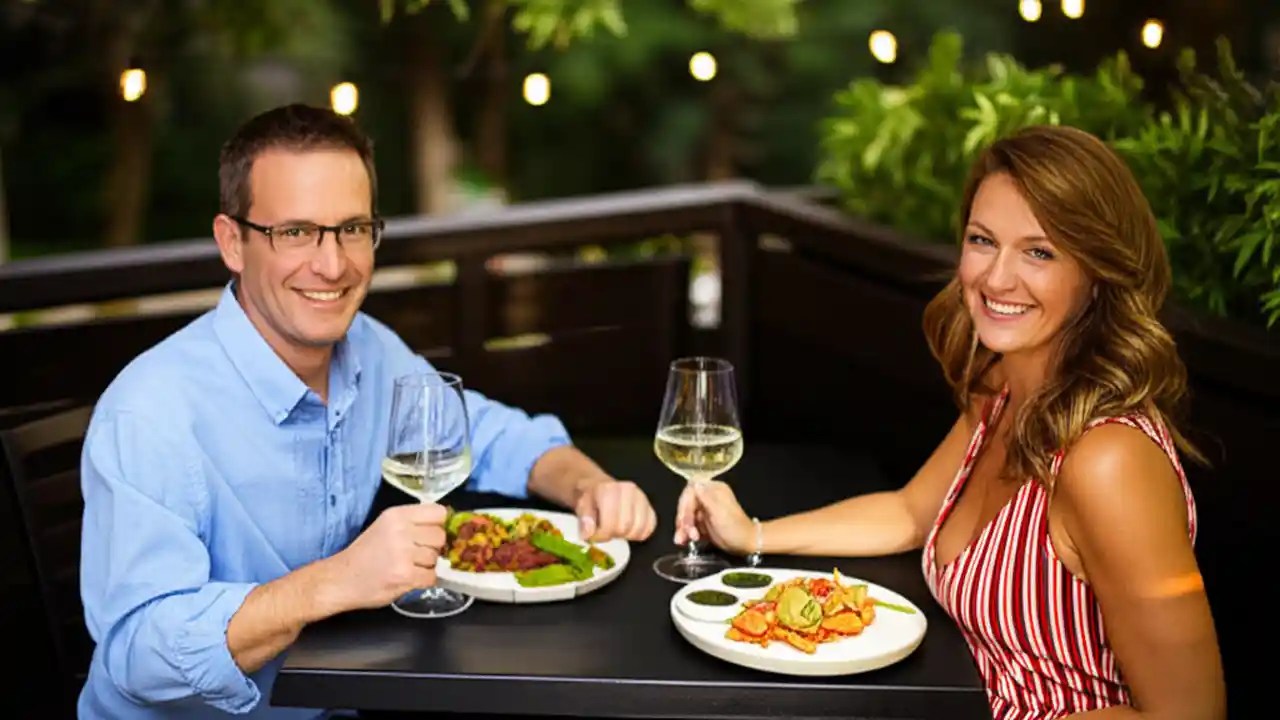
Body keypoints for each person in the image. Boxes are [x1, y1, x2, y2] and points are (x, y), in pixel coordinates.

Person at [77, 104, 657, 719]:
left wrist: (587, 483)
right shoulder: (151, 413)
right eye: (295, 232)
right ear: (233, 243)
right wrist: (335, 583)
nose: (332, 265)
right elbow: (139, 656)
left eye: (352, 228)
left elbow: (484, 434)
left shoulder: (371, 349)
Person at [676, 125, 1226, 719]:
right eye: (983, 240)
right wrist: (751, 534)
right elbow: (912, 512)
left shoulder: (1108, 460)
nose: (996, 278)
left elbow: (1188, 715)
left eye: (1039, 252)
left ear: (1097, 275)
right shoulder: (1003, 387)